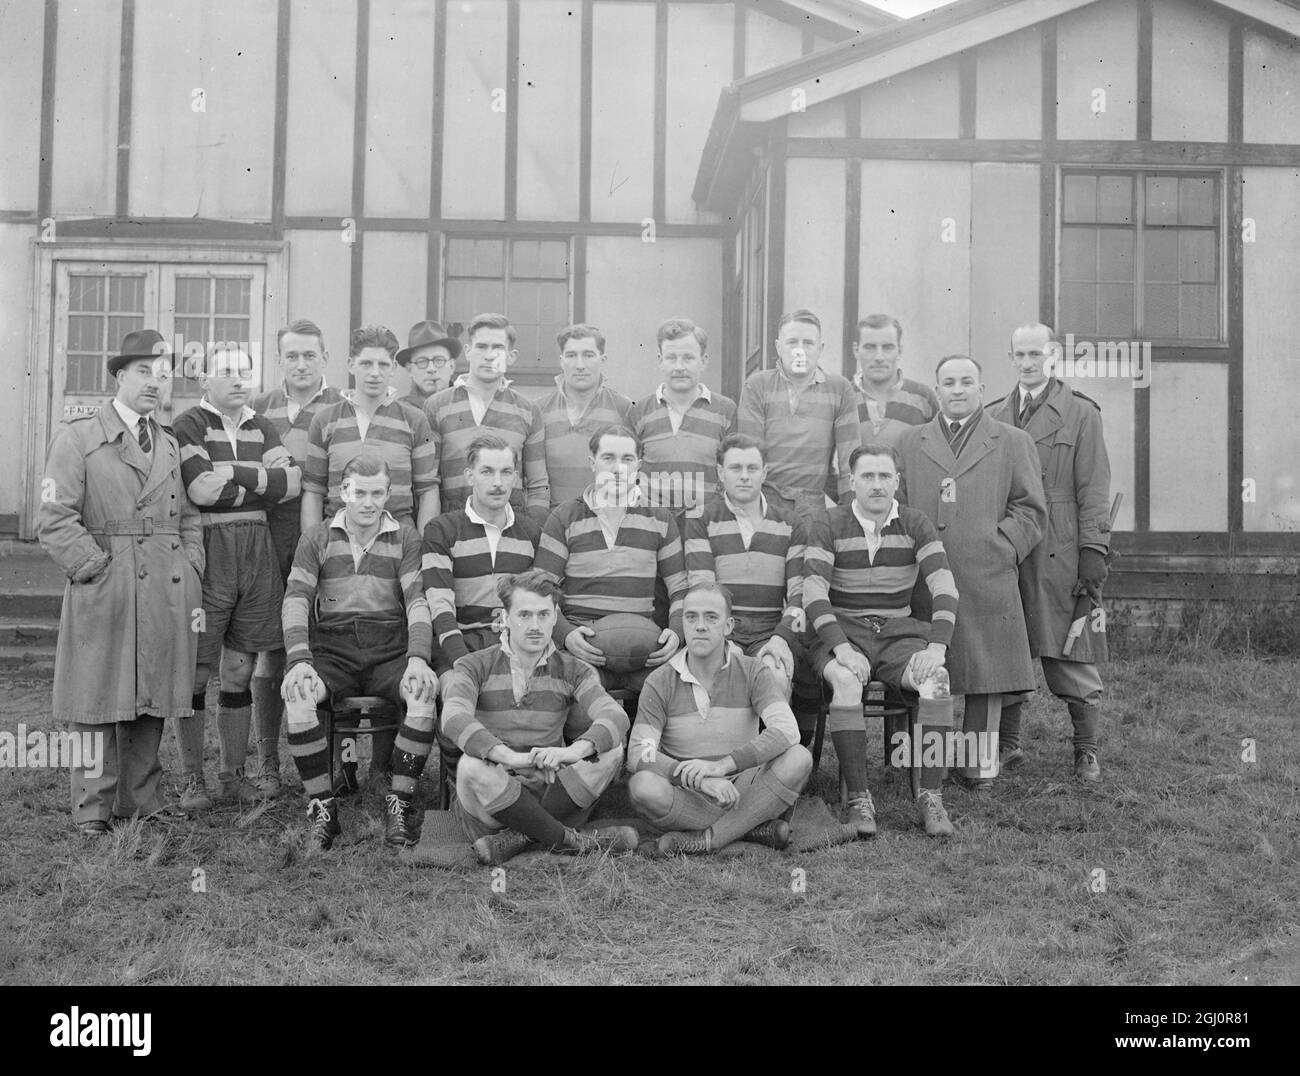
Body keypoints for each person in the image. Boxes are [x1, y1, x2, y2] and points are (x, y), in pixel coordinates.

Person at [38, 329, 205, 837]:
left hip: (165, 586)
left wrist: (192, 562)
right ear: (119, 376)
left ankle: (140, 798)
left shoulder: (171, 444)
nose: (155, 383)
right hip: (106, 580)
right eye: (144, 372)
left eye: (163, 374)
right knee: (96, 693)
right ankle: (93, 807)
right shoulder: (78, 436)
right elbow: (54, 517)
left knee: (153, 690)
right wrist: (93, 566)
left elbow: (191, 516)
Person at [896, 356, 1047, 792]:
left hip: (987, 573)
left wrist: (1000, 546)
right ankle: (936, 763)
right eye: (948, 382)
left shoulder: (1012, 440)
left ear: (982, 387)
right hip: (928, 575)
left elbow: (1032, 510)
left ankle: (979, 763)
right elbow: (898, 504)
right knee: (935, 667)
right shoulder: (910, 441)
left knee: (985, 673)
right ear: (937, 390)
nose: (957, 390)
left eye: (966, 382)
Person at [279, 455, 439, 850]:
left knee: (421, 693)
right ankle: (323, 807)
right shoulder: (317, 536)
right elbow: (296, 599)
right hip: (333, 650)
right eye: (358, 493)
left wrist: (418, 656)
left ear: (388, 494)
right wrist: (299, 660)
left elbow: (418, 600)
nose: (368, 502)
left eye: (377, 493)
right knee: (299, 697)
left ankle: (398, 800)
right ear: (342, 492)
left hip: (389, 648)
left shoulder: (404, 536)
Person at [804, 445, 960, 837]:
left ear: (896, 481)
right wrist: (840, 648)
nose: (876, 485)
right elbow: (813, 594)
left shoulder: (915, 522)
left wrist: (937, 647)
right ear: (852, 481)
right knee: (843, 680)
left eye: (884, 476)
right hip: (845, 630)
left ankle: (931, 796)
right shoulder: (828, 523)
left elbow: (945, 588)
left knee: (937, 682)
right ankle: (859, 800)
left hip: (898, 632)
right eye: (868, 477)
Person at [173, 344, 302, 811]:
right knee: (197, 667)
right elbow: (199, 489)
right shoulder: (189, 423)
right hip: (210, 553)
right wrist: (258, 483)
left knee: (241, 666)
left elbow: (292, 484)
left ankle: (233, 774)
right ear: (204, 379)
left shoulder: (260, 423)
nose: (238, 378)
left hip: (257, 552)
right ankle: (193, 778)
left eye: (245, 370)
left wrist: (228, 470)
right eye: (226, 371)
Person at [436, 571, 639, 866]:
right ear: (504, 618)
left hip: (549, 786)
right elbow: (453, 716)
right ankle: (573, 840)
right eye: (524, 615)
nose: (534, 626)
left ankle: (522, 838)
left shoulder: (573, 670)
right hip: (494, 792)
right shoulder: (474, 665)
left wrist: (571, 752)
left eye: (543, 615)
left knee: (612, 750)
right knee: (470, 766)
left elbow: (615, 715)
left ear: (555, 616)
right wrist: (510, 758)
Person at [988, 323, 1112, 781]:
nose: (1027, 362)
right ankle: (1008, 745)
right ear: (1011, 357)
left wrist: (1094, 548)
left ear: (1054, 355)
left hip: (1059, 542)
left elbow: (1094, 488)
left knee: (1069, 641)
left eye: (1036, 353)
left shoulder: (1080, 414)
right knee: (1007, 641)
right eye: (1019, 354)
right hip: (1008, 541)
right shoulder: (995, 414)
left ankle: (1085, 750)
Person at [627, 583, 813, 855]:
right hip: (688, 789)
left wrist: (724, 766)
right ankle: (750, 828)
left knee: (799, 758)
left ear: (728, 626)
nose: (700, 626)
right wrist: (701, 780)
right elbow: (638, 753)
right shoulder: (660, 680)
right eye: (691, 617)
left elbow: (787, 730)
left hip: (742, 787)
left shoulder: (753, 671)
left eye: (711, 617)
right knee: (642, 785)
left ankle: (709, 839)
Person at [249, 319, 341, 798]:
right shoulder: (257, 408)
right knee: (270, 651)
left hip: (324, 543)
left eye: (310, 355)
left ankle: (333, 762)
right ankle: (266, 764)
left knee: (325, 651)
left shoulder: (343, 407)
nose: (301, 364)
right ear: (279, 359)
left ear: (325, 357)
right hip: (267, 543)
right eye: (292, 356)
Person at [683, 433, 821, 742]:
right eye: (735, 468)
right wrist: (723, 640)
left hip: (769, 630)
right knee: (722, 675)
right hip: (722, 628)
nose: (744, 476)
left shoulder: (790, 524)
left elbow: (798, 594)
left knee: (774, 674)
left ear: (765, 472)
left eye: (752, 468)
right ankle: (725, 759)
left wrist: (781, 639)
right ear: (720, 473)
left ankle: (772, 768)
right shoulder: (702, 519)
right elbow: (703, 591)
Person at [534, 425, 688, 693]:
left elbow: (680, 588)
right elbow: (540, 589)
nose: (618, 468)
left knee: (673, 695)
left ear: (639, 465)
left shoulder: (660, 519)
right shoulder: (564, 517)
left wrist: (676, 632)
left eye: (627, 459)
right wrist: (565, 634)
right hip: (582, 649)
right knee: (584, 703)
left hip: (644, 650)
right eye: (608, 458)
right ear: (592, 462)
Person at [420, 434, 543, 700]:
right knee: (460, 695)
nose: (497, 483)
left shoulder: (530, 532)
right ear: (469, 476)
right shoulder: (442, 530)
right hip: (459, 648)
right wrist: (464, 664)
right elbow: (440, 607)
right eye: (487, 472)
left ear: (516, 478)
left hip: (515, 648)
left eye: (506, 472)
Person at [301, 324, 440, 534]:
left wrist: (423, 549)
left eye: (383, 364)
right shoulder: (325, 420)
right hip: (338, 544)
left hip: (398, 545)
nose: (375, 373)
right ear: (351, 365)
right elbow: (313, 491)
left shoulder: (414, 419)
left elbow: (428, 489)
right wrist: (313, 548)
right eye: (366, 363)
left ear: (393, 368)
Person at [425, 312, 550, 523]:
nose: (489, 356)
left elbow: (538, 485)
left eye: (498, 348)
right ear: (468, 352)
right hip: (453, 528)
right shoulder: (437, 406)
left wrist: (532, 534)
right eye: (481, 347)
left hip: (510, 530)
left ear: (511, 356)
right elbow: (428, 483)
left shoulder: (528, 410)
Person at [738, 308, 860, 520]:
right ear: (778, 347)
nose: (800, 351)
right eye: (792, 342)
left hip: (814, 506)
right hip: (765, 504)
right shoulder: (757, 386)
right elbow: (750, 459)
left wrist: (850, 517)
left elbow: (851, 462)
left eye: (808, 344)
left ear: (820, 348)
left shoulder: (840, 389)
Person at [627, 318, 736, 519]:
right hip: (651, 525)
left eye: (688, 358)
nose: (679, 367)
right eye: (671, 358)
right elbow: (627, 473)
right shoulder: (639, 412)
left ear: (703, 360)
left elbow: (732, 474)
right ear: (660, 360)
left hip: (705, 527)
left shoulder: (725, 411)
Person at [536, 323, 633, 507]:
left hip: (605, 520)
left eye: (588, 355)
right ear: (561, 360)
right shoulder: (539, 410)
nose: (580, 365)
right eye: (571, 356)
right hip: (553, 524)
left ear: (602, 359)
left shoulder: (624, 409)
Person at [851, 314, 940, 450]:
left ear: (899, 351)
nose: (879, 357)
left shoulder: (923, 398)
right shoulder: (842, 398)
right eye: (870, 347)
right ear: (856, 350)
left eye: (887, 347)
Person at [396, 319, 460, 408]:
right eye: (422, 361)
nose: (431, 369)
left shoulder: (469, 406)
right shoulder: (398, 412)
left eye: (439, 360)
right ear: (409, 369)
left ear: (452, 366)